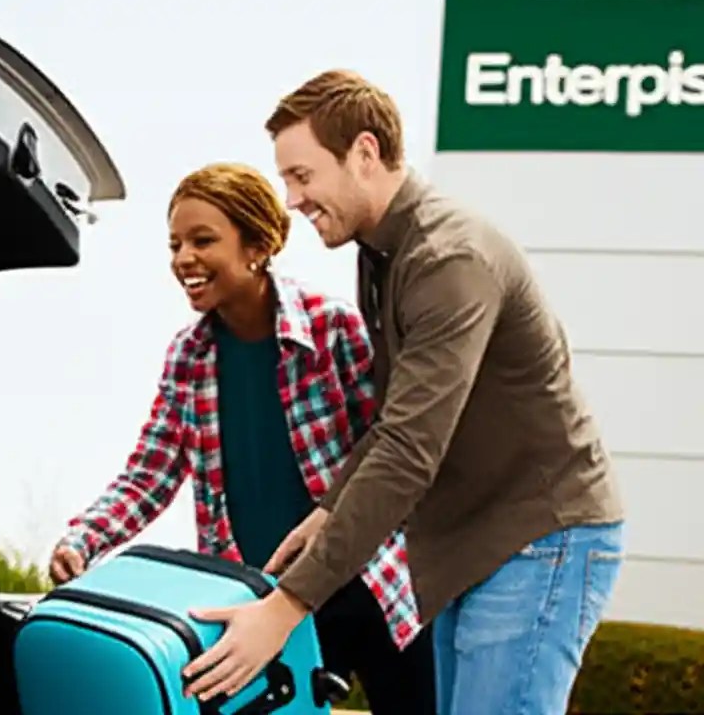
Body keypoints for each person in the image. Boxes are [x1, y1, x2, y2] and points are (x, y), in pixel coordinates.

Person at [180, 70, 626, 715]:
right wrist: (329, 511)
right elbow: (396, 419)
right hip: (474, 543)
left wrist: (287, 606)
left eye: (302, 176)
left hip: (539, 537)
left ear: (364, 154)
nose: (292, 200)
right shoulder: (385, 254)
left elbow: (411, 448)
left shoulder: (449, 259)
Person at [51, 162, 436, 715]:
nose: (184, 258)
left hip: (366, 585)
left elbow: (391, 445)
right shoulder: (189, 356)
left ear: (257, 244)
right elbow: (150, 475)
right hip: (261, 601)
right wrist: (83, 540)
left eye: (203, 240)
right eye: (175, 244)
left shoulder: (333, 330)